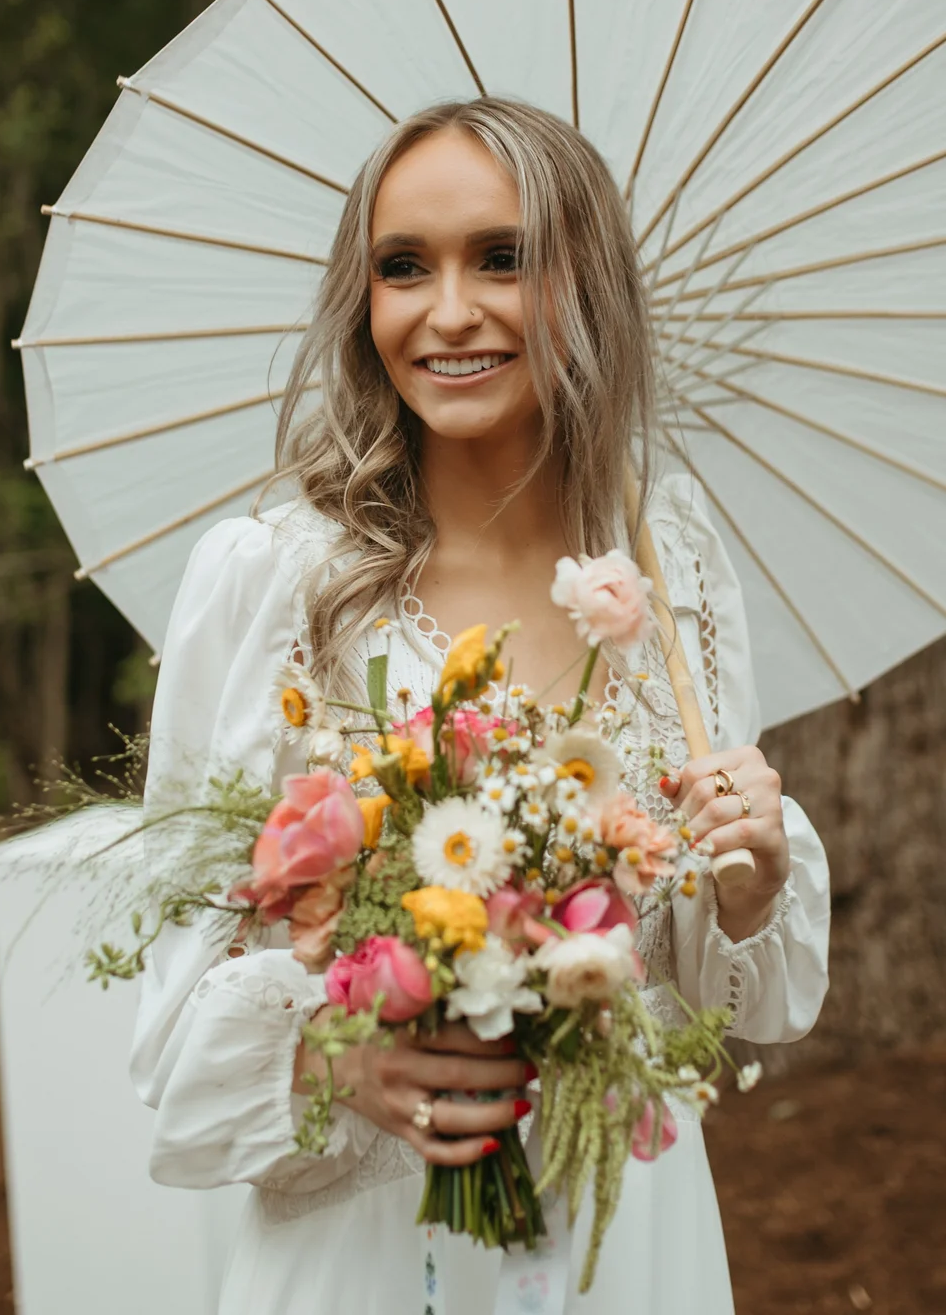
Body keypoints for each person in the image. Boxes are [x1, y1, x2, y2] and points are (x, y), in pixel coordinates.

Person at [130, 98, 830, 1314]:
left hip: (625, 1229)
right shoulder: (276, 581)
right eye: (403, 267)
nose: (447, 311)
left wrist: (750, 875)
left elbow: (717, 992)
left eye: (502, 258)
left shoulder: (670, 559)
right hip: (376, 1239)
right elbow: (174, 1017)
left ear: (587, 282)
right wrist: (348, 1060)